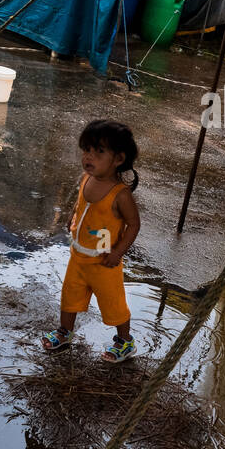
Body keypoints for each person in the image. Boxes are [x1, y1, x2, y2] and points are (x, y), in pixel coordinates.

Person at [42, 119, 141, 362]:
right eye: (86, 149)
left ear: (118, 159)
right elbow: (81, 204)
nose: (89, 157)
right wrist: (72, 217)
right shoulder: (87, 178)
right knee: (70, 296)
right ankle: (65, 332)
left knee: (113, 304)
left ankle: (125, 341)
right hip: (78, 255)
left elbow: (134, 224)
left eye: (99, 151)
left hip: (104, 261)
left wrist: (118, 252)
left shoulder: (120, 194)